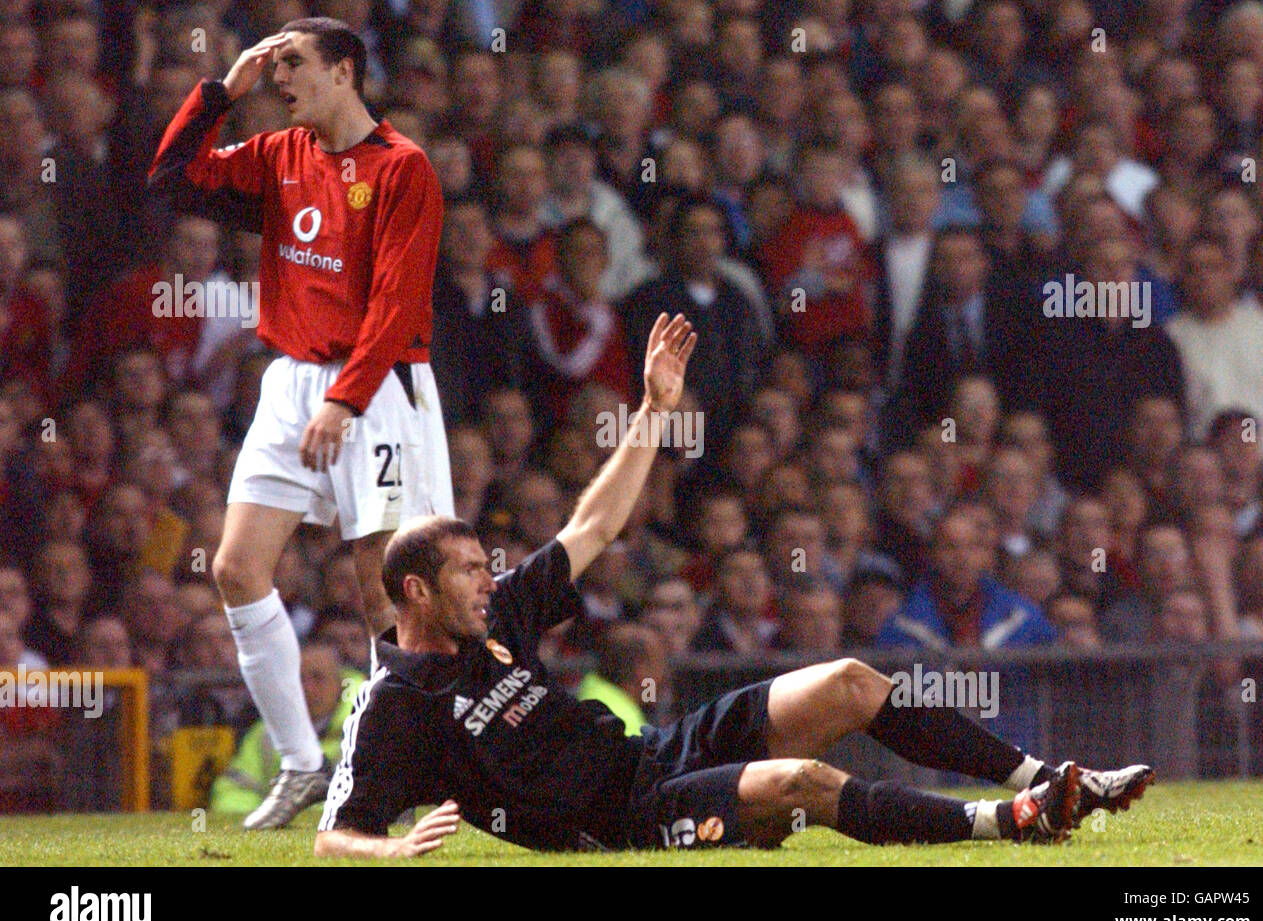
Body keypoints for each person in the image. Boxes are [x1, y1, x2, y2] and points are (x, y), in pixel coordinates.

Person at [316, 314, 1152, 858]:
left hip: (653, 754)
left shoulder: (502, 615)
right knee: (802, 783)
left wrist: (651, 410)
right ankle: (1012, 823)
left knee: (853, 681)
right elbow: (333, 838)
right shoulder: (396, 700)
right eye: (467, 571)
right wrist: (388, 850)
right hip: (620, 825)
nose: (487, 580)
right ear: (416, 595)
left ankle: (1048, 777)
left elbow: (594, 526)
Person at [147, 18, 454, 829]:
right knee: (238, 569)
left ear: (345, 71)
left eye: (293, 65)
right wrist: (220, 92)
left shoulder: (404, 168)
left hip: (379, 386)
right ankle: (302, 764)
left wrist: (345, 399)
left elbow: (396, 303)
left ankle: (392, 774)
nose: (279, 79)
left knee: (386, 593)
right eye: (273, 65)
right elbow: (173, 179)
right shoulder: (280, 154)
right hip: (291, 381)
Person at [210, 641, 361, 817]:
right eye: (298, 679)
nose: (308, 689)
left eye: (318, 678)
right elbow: (235, 788)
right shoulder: (265, 734)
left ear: (340, 684)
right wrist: (257, 816)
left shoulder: (367, 727)